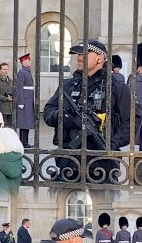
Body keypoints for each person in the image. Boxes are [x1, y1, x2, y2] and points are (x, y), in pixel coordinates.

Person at [41, 39, 133, 183]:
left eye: (85, 54)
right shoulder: (69, 85)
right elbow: (48, 111)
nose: (79, 57)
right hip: (69, 163)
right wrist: (65, 118)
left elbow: (131, 122)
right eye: (78, 54)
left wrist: (112, 144)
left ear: (100, 58)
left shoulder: (116, 87)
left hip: (102, 165)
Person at [15, 53, 35, 147]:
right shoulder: (22, 72)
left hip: (28, 98)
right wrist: (20, 101)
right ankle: (23, 141)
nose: (29, 61)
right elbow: (19, 88)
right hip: (25, 99)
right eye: (28, 60)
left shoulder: (27, 71)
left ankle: (25, 141)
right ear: (23, 61)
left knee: (27, 121)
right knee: (24, 122)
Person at [0, 62, 16, 127]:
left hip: (11, 109)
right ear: (0, 70)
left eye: (7, 69)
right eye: (4, 69)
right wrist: (6, 98)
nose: (5, 71)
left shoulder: (11, 81)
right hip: (2, 109)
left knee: (10, 128)